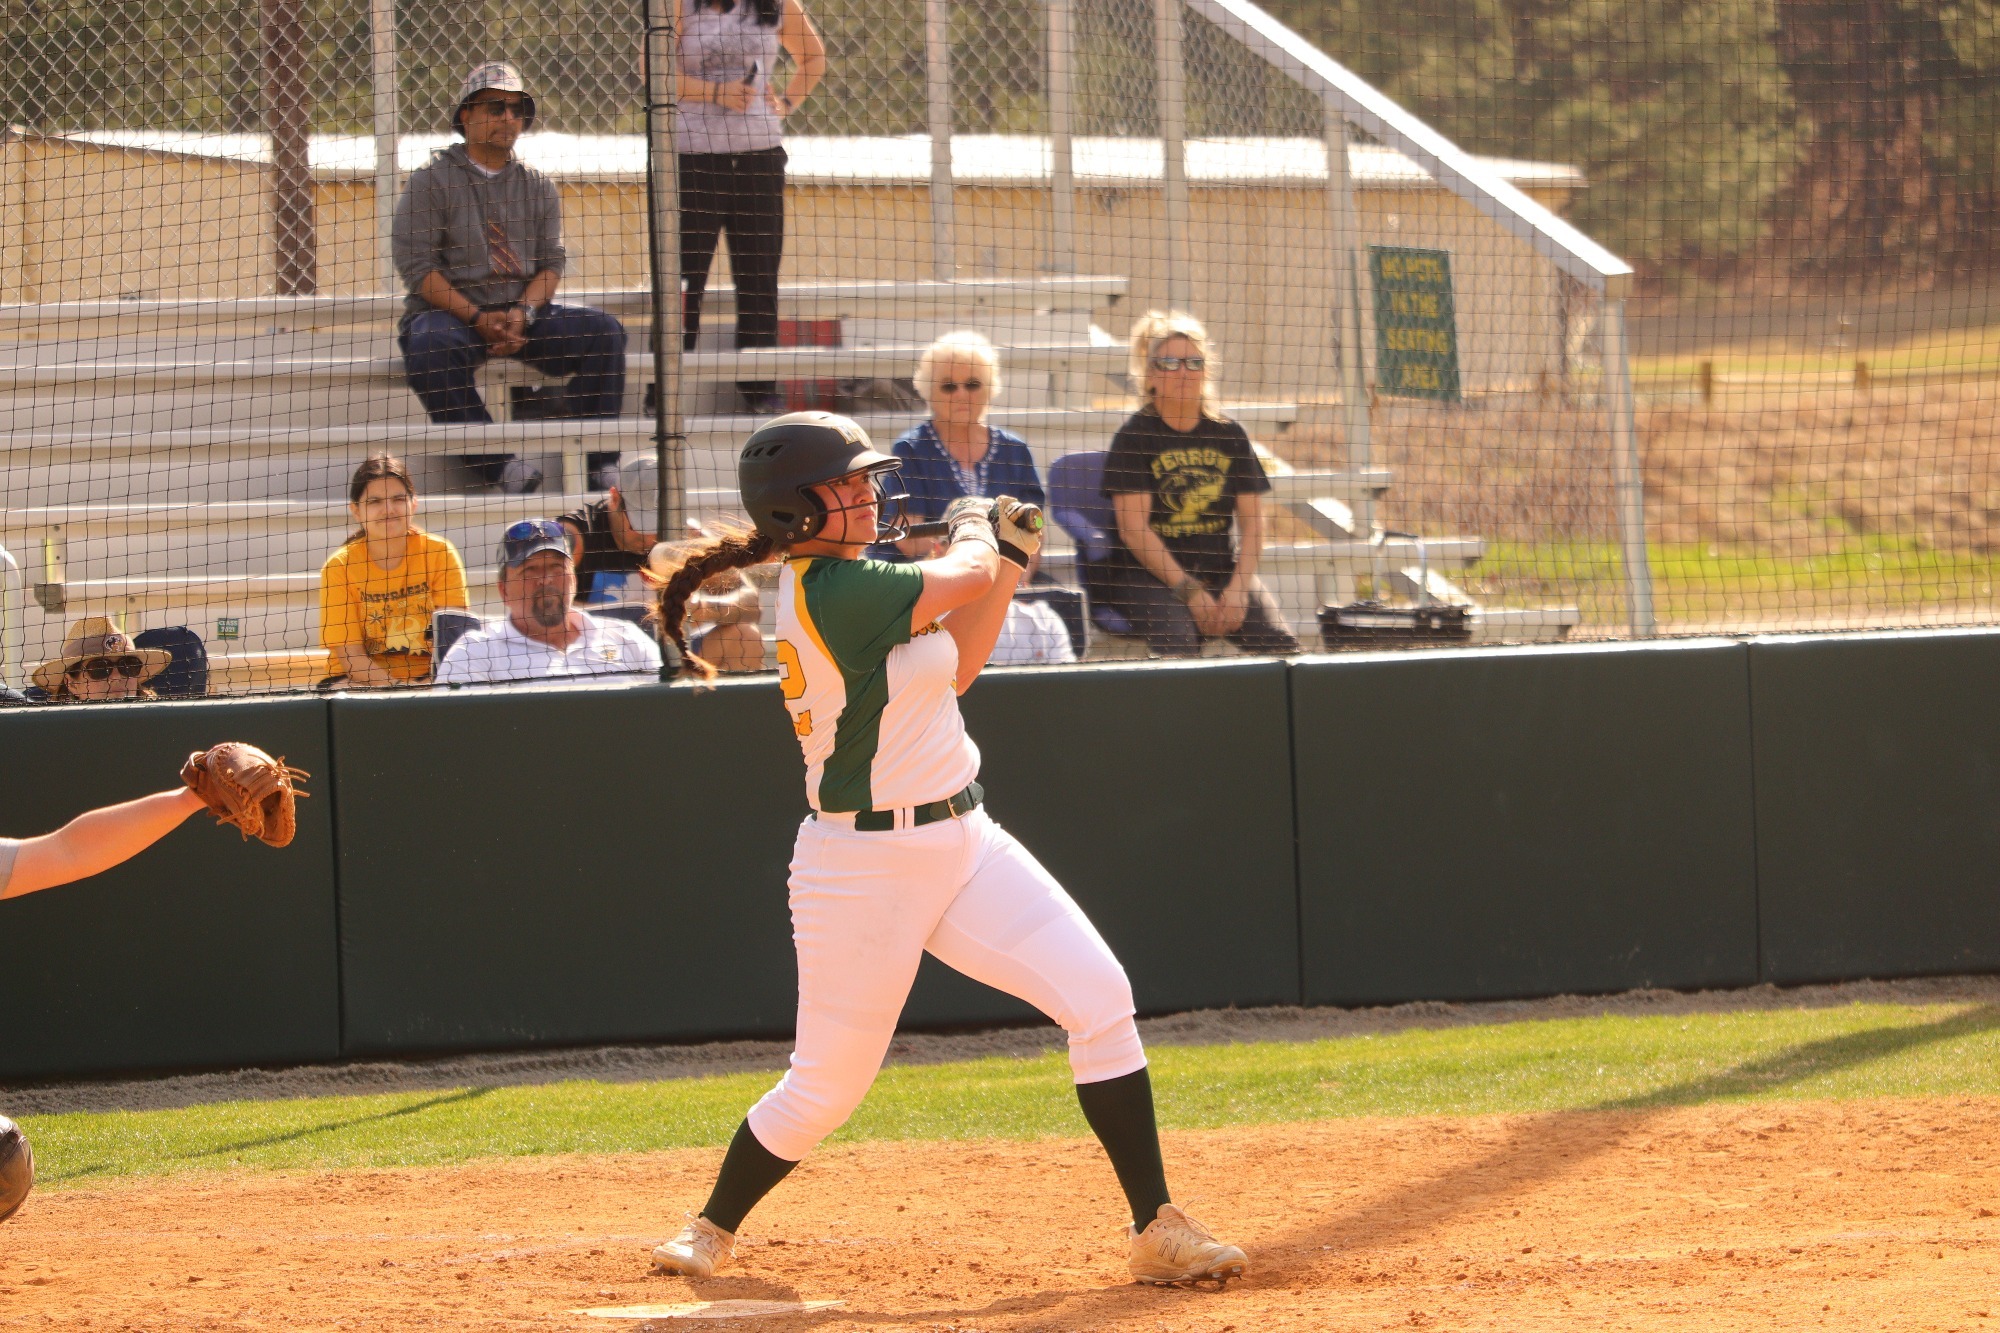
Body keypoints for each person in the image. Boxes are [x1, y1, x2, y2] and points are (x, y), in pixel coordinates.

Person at [642, 411, 1246, 1287]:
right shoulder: (832, 589)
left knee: (1101, 998)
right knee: (826, 1086)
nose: (866, 495)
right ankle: (710, 1226)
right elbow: (962, 572)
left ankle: (1156, 1224)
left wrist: (1008, 560)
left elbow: (956, 664)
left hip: (966, 839)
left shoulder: (865, 579)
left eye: (863, 480)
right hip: (862, 867)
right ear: (794, 508)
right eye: (845, 484)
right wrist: (974, 527)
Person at [392, 61, 628, 424]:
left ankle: (592, 448)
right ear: (466, 115)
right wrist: (477, 318)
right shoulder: (430, 180)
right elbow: (418, 270)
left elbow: (551, 262)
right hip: (452, 317)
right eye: (496, 107)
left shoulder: (537, 184)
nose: (509, 117)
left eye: (517, 110)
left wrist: (523, 313)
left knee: (605, 332)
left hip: (524, 316)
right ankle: (493, 454)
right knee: (428, 347)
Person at [1095, 311, 1301, 658]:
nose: (1183, 372)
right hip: (1147, 579)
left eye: (1194, 362)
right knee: (1179, 644)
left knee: (1283, 648)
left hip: (1219, 573)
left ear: (1206, 371)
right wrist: (1188, 591)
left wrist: (1238, 589)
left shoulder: (1229, 434)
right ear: (1151, 376)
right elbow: (1133, 531)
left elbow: (1254, 525)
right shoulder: (1134, 437)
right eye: (1170, 363)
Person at [677, 0, 827, 413]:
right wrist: (716, 93)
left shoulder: (775, 4)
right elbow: (652, 74)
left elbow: (813, 57)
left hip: (759, 159)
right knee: (684, 281)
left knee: (759, 278)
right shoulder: (677, 5)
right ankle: (666, 389)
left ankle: (760, 390)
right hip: (692, 160)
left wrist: (787, 102)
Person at [869, 331, 1048, 571]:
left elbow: (1034, 531)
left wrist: (1016, 578)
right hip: (931, 575)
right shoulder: (911, 450)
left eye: (972, 384)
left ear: (990, 387)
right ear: (929, 392)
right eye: (949, 386)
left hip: (1003, 574)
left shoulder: (1015, 450)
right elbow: (910, 542)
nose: (962, 394)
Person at [558, 487, 766, 672]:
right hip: (600, 652)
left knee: (744, 637)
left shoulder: (687, 535)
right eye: (638, 524)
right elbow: (546, 608)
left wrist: (704, 609)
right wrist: (633, 614)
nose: (648, 537)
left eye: (654, 525)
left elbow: (752, 604)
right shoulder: (575, 537)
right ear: (614, 498)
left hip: (670, 650)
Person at [435, 519, 663, 685]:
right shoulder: (476, 652)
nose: (546, 580)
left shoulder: (626, 637)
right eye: (530, 570)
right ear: (504, 590)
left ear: (574, 578)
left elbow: (667, 711)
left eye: (556, 567)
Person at [320, 455, 471, 687]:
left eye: (398, 499)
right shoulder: (339, 566)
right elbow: (352, 658)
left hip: (430, 679)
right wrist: (398, 691)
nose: (388, 510)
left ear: (414, 504)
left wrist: (425, 686)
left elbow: (453, 642)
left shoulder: (439, 553)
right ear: (356, 511)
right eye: (375, 501)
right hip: (359, 682)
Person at [31, 618, 171, 703]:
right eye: (100, 669)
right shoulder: (55, 734)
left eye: (128, 666)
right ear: (72, 684)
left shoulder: (160, 725)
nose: (116, 677)